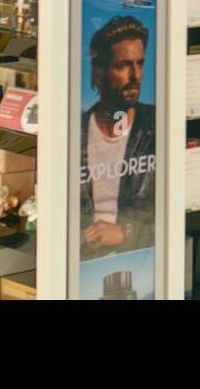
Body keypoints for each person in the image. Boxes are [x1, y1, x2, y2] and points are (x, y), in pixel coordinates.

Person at [79, 15, 156, 257]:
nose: (136, 75)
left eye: (140, 64)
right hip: (81, 261)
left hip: (139, 258)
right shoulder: (74, 131)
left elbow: (179, 212)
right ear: (99, 72)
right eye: (123, 65)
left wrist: (127, 232)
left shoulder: (157, 126)